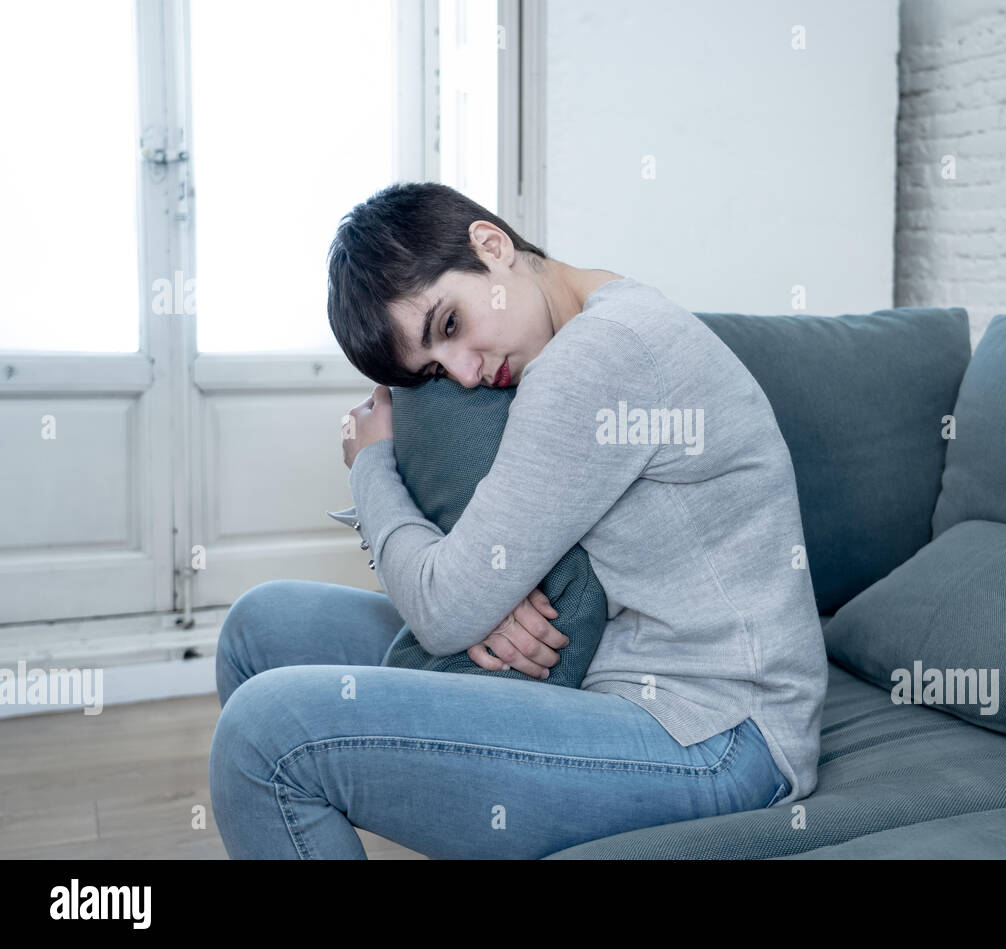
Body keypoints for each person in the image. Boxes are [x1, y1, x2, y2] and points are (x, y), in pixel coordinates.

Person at [208, 182, 828, 858]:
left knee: (265, 735)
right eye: (434, 369)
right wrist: (486, 594)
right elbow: (477, 577)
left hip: (718, 736)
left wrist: (370, 465)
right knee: (260, 626)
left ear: (492, 244)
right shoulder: (596, 316)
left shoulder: (595, 358)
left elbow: (444, 610)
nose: (465, 373)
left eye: (448, 325)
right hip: (611, 679)